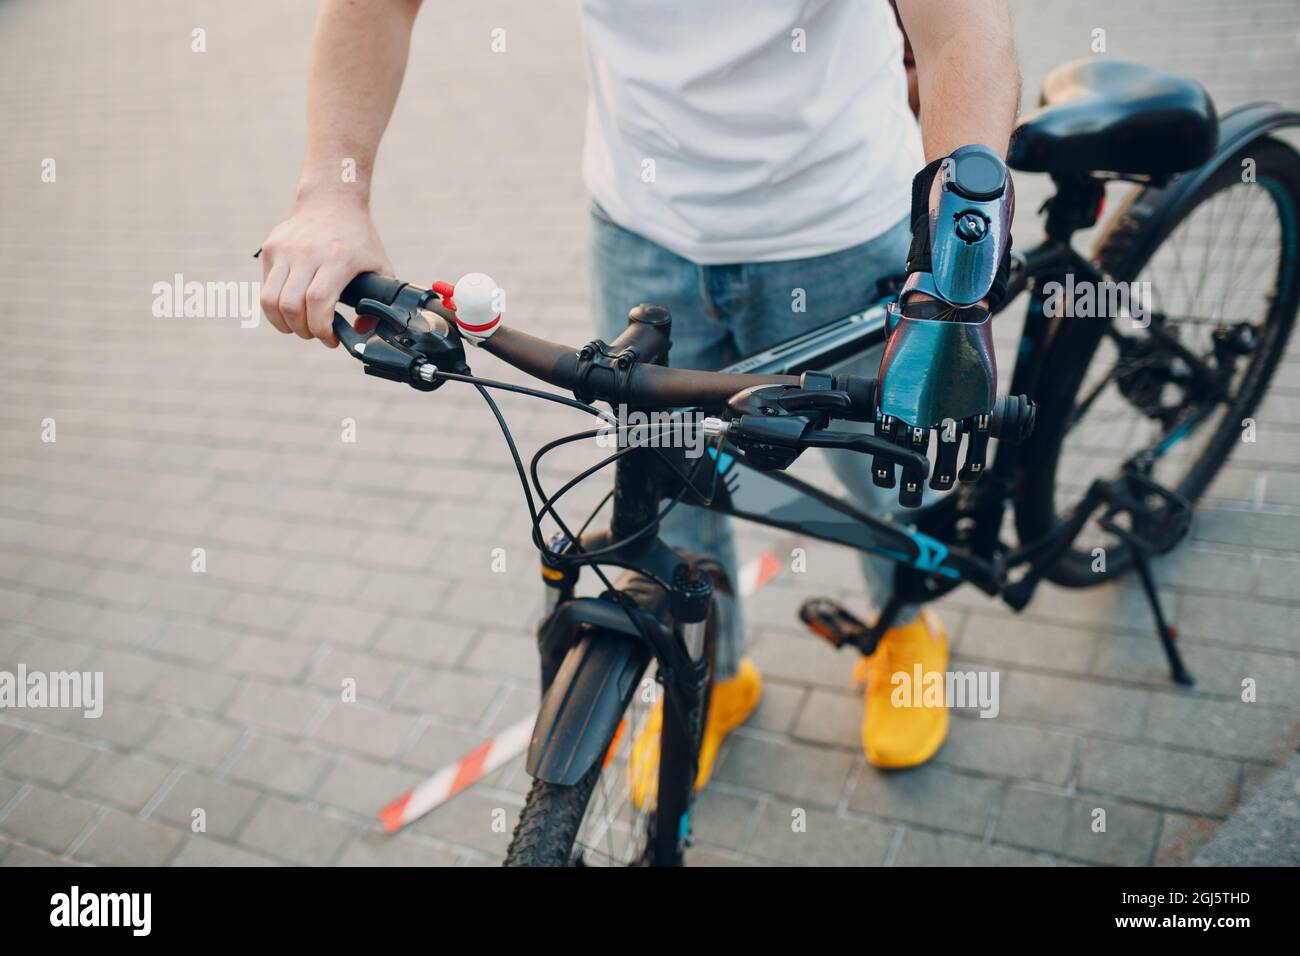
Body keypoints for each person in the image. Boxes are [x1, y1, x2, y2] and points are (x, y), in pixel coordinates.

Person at [259, 0, 1020, 789]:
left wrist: (953, 289)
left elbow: (962, 25)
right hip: (643, 231)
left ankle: (904, 630)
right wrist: (331, 195)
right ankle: (710, 675)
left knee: (884, 471)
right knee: (671, 488)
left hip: (840, 225)